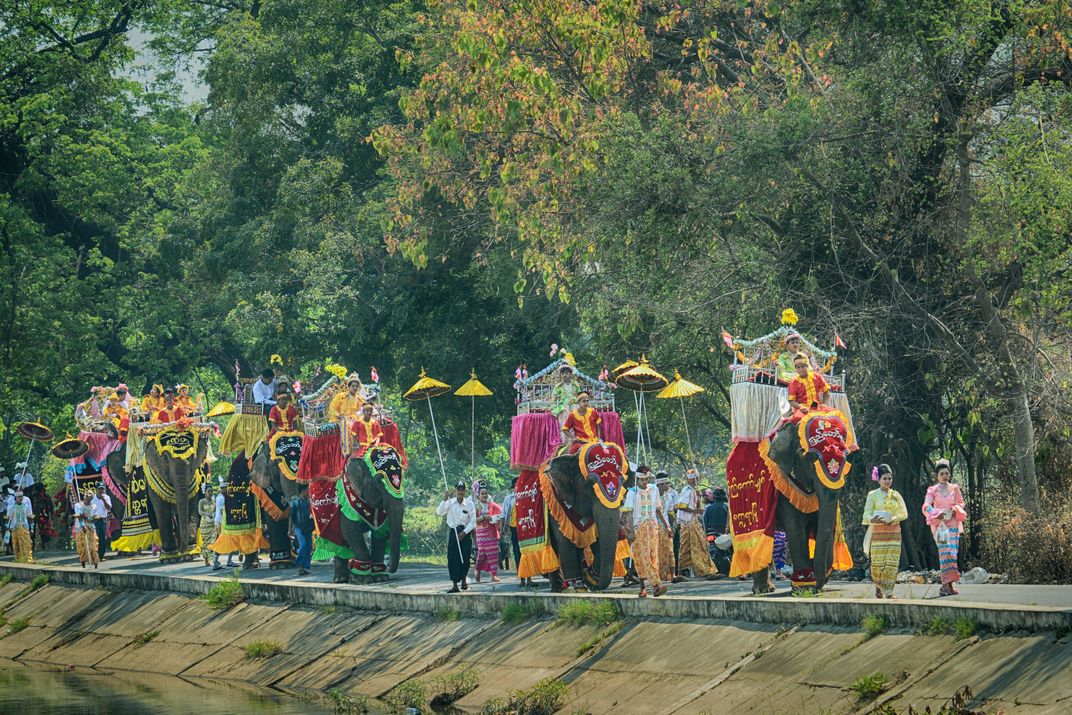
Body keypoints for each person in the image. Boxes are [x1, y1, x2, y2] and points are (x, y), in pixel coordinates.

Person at [622, 468, 670, 598]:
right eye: (642, 479)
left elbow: (658, 509)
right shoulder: (632, 492)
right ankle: (656, 585)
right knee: (642, 557)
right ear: (638, 479)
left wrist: (666, 526)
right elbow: (629, 513)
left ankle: (644, 589)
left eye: (646, 479)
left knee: (653, 557)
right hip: (639, 528)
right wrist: (630, 531)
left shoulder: (654, 489)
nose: (645, 482)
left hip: (653, 527)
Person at [862, 464, 909, 599]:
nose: (888, 481)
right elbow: (866, 514)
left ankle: (888, 592)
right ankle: (878, 586)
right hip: (878, 534)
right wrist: (873, 519)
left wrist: (894, 518)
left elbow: (904, 513)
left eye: (890, 478)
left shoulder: (896, 495)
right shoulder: (873, 495)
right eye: (884, 478)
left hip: (894, 532)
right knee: (878, 562)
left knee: (892, 562)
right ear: (878, 479)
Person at [923, 459, 968, 596]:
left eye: (947, 473)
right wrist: (937, 513)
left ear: (950, 474)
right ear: (937, 475)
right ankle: (944, 585)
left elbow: (961, 503)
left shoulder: (954, 488)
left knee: (952, 555)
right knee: (945, 554)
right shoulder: (932, 490)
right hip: (940, 526)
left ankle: (951, 584)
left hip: (953, 524)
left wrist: (955, 510)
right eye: (942, 473)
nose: (944, 476)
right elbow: (926, 506)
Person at [675, 469, 719, 579]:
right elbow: (680, 506)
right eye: (695, 478)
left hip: (692, 521)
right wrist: (696, 511)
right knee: (692, 545)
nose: (697, 480)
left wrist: (698, 499)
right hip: (688, 523)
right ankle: (702, 571)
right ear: (690, 479)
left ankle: (707, 570)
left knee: (698, 544)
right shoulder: (687, 491)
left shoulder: (693, 490)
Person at [436, 482, 476, 593]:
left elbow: (473, 522)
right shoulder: (450, 502)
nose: (460, 492)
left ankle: (464, 580)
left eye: (462, 489)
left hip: (465, 532)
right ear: (455, 491)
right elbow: (439, 512)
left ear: (465, 491)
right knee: (453, 558)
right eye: (458, 489)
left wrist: (464, 532)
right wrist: (444, 499)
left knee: (465, 557)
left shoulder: (470, 504)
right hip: (453, 532)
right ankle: (454, 585)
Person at [473, 485, 502, 583]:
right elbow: (473, 521)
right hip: (481, 534)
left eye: (486, 493)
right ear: (478, 496)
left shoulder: (492, 505)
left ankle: (493, 575)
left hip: (492, 532)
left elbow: (501, 514)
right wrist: (483, 517)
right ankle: (478, 572)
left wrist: (495, 518)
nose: (484, 495)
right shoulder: (476, 506)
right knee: (482, 554)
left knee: (493, 554)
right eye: (482, 493)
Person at [702, 487, 731, 575]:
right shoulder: (727, 507)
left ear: (714, 496)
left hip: (710, 532)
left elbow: (704, 522)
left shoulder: (709, 508)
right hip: (723, 534)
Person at [655, 471, 678, 582]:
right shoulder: (652, 495)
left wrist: (672, 527)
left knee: (670, 551)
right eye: (666, 484)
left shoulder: (669, 496)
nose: (668, 486)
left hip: (666, 527)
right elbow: (658, 512)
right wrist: (667, 526)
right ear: (660, 484)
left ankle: (672, 575)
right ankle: (658, 576)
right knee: (657, 552)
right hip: (655, 527)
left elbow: (670, 513)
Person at [290, 485, 314, 576]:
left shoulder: (309, 502)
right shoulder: (295, 502)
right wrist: (290, 529)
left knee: (309, 547)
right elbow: (291, 516)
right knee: (303, 545)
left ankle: (303, 568)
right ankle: (298, 563)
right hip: (299, 527)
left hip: (308, 527)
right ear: (303, 491)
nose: (309, 492)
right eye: (307, 490)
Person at [73, 492, 100, 568]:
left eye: (90, 495)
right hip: (81, 528)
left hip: (91, 527)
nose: (88, 496)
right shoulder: (78, 505)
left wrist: (96, 517)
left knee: (94, 547)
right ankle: (83, 565)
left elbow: (96, 515)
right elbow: (79, 516)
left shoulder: (94, 506)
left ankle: (95, 565)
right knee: (82, 547)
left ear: (92, 498)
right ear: (84, 496)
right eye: (87, 494)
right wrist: (82, 525)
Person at [7, 491, 34, 563]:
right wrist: (8, 526)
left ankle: (28, 558)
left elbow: (30, 517)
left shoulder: (26, 506)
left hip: (24, 527)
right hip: (15, 527)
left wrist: (32, 528)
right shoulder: (11, 507)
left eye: (21, 497)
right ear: (15, 498)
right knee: (16, 544)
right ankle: (18, 558)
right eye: (19, 497)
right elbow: (8, 518)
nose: (20, 498)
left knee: (27, 543)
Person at [499, 478, 519, 572]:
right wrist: (501, 529)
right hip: (512, 527)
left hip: (525, 527)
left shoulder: (526, 496)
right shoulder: (508, 498)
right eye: (516, 485)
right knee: (515, 548)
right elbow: (503, 514)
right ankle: (519, 570)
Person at [197, 485, 218, 567]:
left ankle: (212, 558)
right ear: (205, 492)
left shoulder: (214, 501)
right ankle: (206, 559)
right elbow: (200, 512)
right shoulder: (201, 501)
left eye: (211, 491)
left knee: (213, 540)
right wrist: (207, 514)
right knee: (205, 543)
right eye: (208, 491)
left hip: (212, 524)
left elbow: (216, 511)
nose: (210, 493)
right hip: (204, 524)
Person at [91, 485, 112, 560]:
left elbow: (109, 508)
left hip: (103, 520)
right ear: (96, 490)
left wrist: (103, 500)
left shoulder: (107, 497)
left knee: (102, 538)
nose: (101, 491)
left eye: (102, 489)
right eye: (99, 489)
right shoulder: (92, 498)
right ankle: (94, 555)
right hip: (94, 520)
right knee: (95, 537)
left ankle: (101, 556)